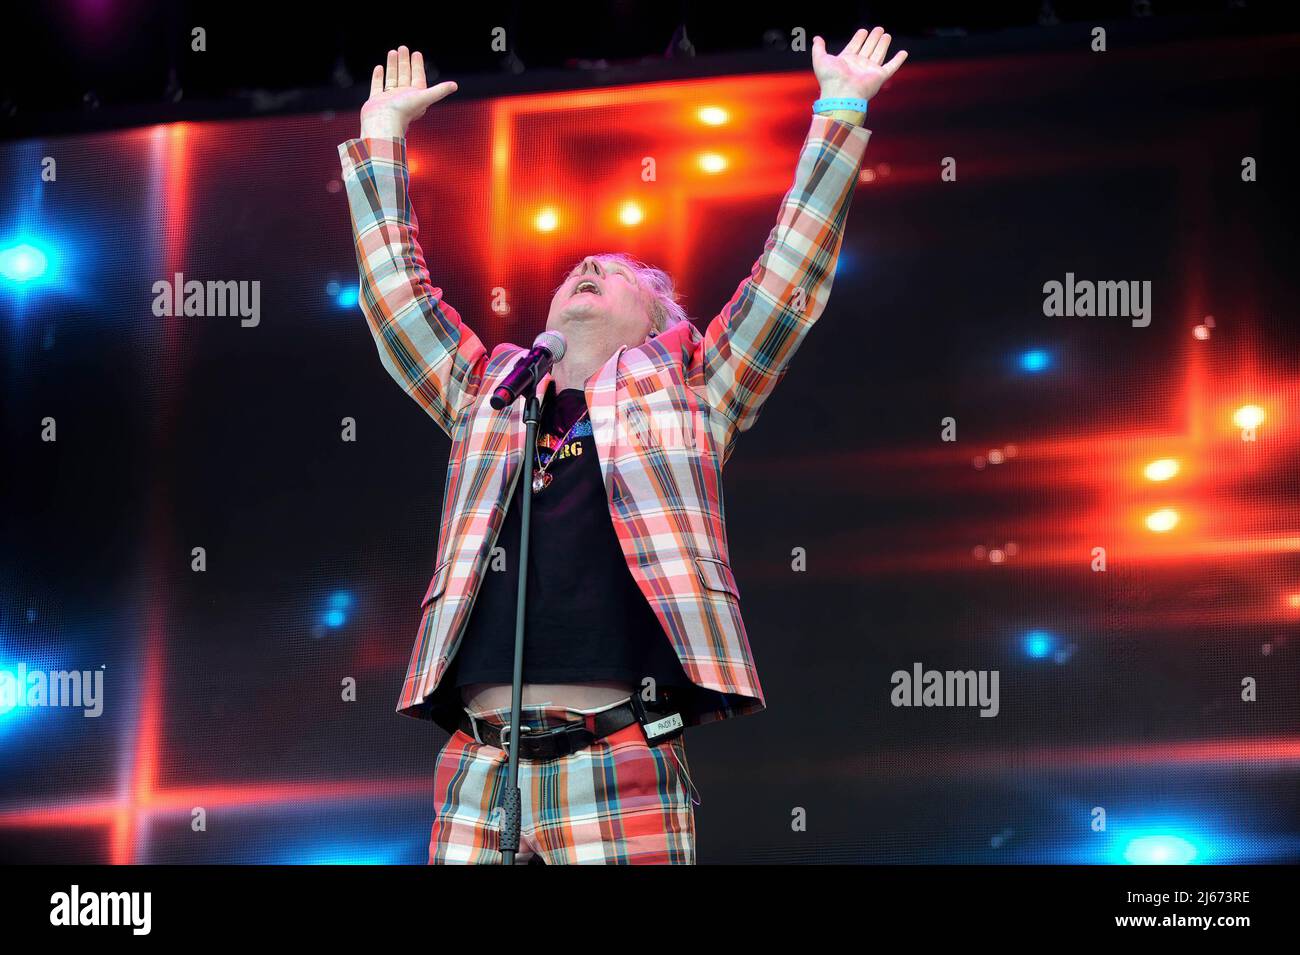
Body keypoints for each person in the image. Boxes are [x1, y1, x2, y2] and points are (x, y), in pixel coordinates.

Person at [338, 28, 907, 864]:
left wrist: (840, 108)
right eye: (578, 268)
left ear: (659, 324)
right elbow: (396, 301)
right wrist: (382, 136)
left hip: (616, 756)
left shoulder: (693, 388)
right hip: (476, 762)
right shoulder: (492, 394)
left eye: (617, 272)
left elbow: (790, 273)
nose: (589, 269)